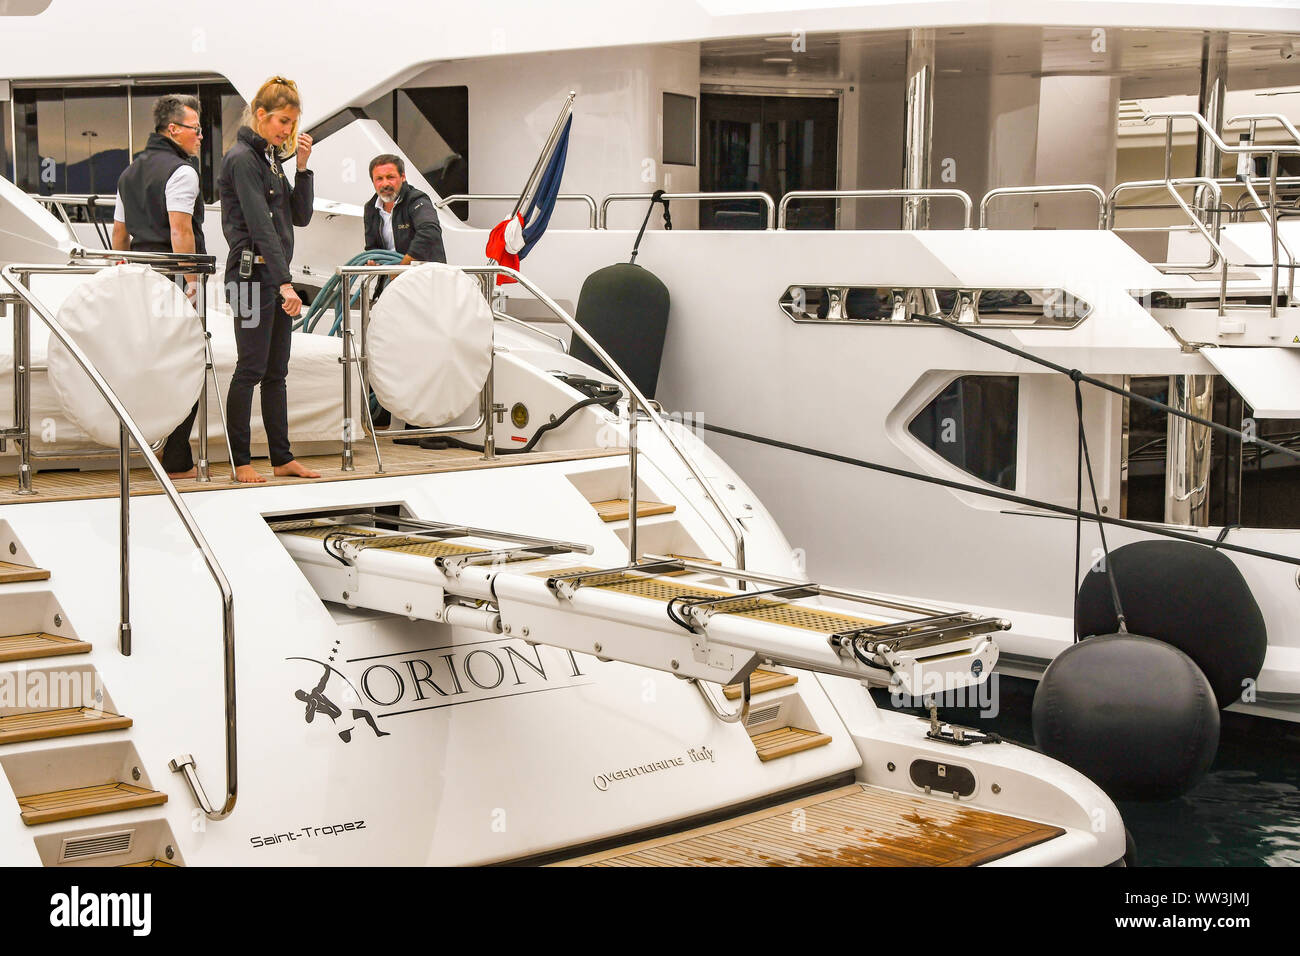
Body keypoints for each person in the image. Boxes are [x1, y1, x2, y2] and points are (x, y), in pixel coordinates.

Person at [218, 76, 320, 484]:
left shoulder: (271, 159)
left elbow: (300, 216)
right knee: (251, 368)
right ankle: (240, 460)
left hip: (271, 276)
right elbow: (260, 226)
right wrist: (284, 284)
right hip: (248, 279)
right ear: (260, 114)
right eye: (281, 121)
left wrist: (302, 168)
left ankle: (282, 457)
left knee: (276, 371)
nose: (287, 130)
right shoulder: (243, 158)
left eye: (292, 124)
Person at [111, 93, 206, 479]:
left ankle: (146, 444)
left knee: (148, 361)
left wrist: (125, 275)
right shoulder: (182, 171)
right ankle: (178, 456)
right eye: (195, 129)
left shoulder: (128, 172)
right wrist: (192, 279)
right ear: (173, 129)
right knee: (190, 362)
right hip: (171, 277)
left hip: (141, 279)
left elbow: (120, 235)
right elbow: (180, 230)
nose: (200, 136)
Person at [363, 154, 446, 264]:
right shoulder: (371, 208)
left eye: (390, 177)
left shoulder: (417, 200)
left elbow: (430, 231)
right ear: (373, 181)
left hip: (424, 275)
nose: (385, 184)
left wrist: (403, 267)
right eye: (379, 179)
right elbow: (372, 248)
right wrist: (373, 261)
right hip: (390, 276)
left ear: (403, 177)